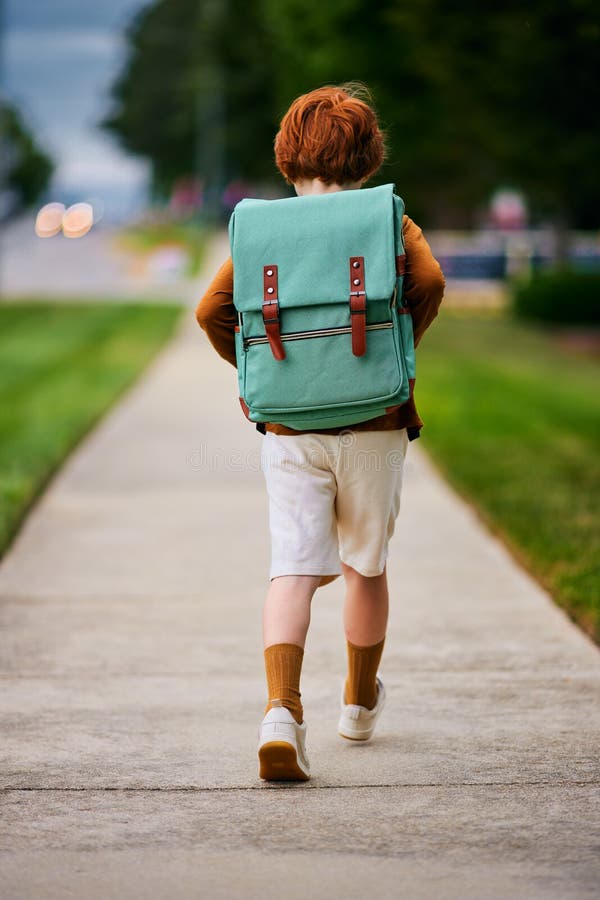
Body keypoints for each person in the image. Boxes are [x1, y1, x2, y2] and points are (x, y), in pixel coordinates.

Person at [195, 83, 445, 782]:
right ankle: (359, 705)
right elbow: (427, 281)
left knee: (293, 569)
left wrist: (260, 373)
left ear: (287, 158)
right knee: (366, 563)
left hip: (290, 426)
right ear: (367, 157)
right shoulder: (388, 219)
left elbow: (212, 311)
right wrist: (396, 346)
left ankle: (280, 711)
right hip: (376, 422)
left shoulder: (260, 228)